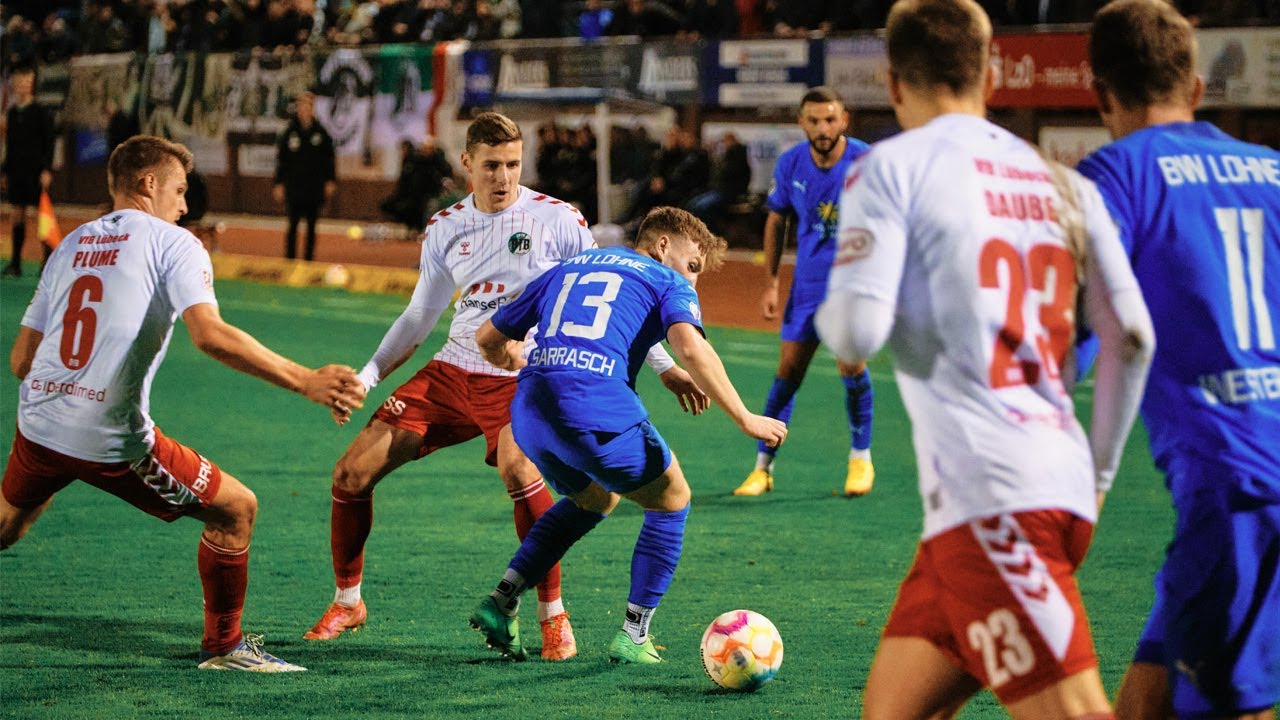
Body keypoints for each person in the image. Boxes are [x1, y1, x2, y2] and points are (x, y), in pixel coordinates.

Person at [814, 0, 1156, 716]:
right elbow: (1131, 336)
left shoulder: (893, 167)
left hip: (993, 499)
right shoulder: (1066, 182)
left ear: (893, 82)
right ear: (991, 74)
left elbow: (853, 335)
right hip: (1032, 493)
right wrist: (1095, 474)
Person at [302, 112, 707, 662]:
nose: (504, 177)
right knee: (350, 473)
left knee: (523, 474)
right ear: (467, 163)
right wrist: (370, 374)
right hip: (453, 369)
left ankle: (552, 616)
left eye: (513, 164)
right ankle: (348, 601)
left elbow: (613, 296)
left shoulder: (559, 219)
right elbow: (421, 313)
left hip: (522, 375)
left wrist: (663, 368)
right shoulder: (445, 225)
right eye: (492, 165)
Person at [0, 135, 366, 672]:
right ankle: (224, 648)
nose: (185, 204)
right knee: (235, 510)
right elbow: (210, 335)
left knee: (10, 522)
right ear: (148, 184)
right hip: (107, 436)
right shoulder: (175, 243)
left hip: (37, 422)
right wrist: (305, 379)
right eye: (179, 188)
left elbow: (21, 360)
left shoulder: (72, 243)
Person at [469, 207, 788, 662]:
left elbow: (486, 338)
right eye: (693, 265)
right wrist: (744, 418)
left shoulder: (570, 266)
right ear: (663, 246)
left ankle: (503, 599)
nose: (693, 280)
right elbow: (692, 345)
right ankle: (633, 635)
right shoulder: (667, 281)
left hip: (529, 414)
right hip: (594, 405)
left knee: (595, 499)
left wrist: (513, 360)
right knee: (673, 498)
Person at [1078, 2, 1280, 717]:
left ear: (1100, 94)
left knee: (1233, 708)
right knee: (1144, 705)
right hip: (1241, 494)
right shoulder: (1273, 170)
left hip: (1240, 492)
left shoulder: (1113, 175)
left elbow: (1079, 336)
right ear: (1196, 87)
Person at [733, 86, 876, 498]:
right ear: (802, 122)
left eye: (830, 119)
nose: (822, 128)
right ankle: (762, 468)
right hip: (808, 286)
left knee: (851, 367)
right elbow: (777, 222)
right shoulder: (790, 163)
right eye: (814, 120)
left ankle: (860, 459)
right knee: (788, 373)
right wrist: (772, 284)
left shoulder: (865, 161)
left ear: (844, 120)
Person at [2, 65, 55, 277]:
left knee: (42, 216)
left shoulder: (41, 112)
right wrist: (5, 170)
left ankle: (48, 261)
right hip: (17, 171)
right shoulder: (13, 113)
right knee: (17, 214)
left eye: (26, 81)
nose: (22, 85)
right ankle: (15, 262)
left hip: (36, 171)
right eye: (19, 81)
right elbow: (10, 145)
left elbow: (49, 142)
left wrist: (46, 169)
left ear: (32, 84)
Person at [273, 91, 336, 261]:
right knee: (292, 225)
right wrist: (278, 183)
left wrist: (330, 181)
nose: (304, 109)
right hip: (294, 187)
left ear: (312, 109)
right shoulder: (289, 133)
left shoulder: (321, 134)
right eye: (302, 106)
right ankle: (290, 261)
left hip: (313, 188)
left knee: (311, 226)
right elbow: (281, 161)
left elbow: (329, 160)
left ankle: (308, 261)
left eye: (308, 106)